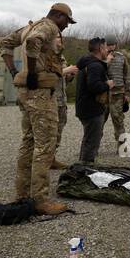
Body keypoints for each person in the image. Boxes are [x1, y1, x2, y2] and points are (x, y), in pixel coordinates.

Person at [0, 3, 75, 215]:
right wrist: (31, 72)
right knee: (45, 145)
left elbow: (4, 43)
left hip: (25, 92)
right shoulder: (49, 26)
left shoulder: (28, 28)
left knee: (29, 141)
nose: (66, 26)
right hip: (40, 92)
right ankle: (40, 200)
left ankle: (22, 194)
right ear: (58, 15)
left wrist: (14, 71)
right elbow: (34, 43)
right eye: (67, 21)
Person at [75, 37, 113, 164]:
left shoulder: (87, 62)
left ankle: (82, 167)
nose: (107, 50)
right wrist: (108, 85)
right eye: (106, 47)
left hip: (85, 108)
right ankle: (85, 170)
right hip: (92, 109)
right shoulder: (95, 65)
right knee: (91, 142)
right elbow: (94, 86)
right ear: (100, 48)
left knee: (88, 140)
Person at [50, 35, 79, 170]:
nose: (59, 40)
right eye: (56, 37)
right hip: (49, 101)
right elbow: (46, 76)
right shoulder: (45, 56)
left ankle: (51, 158)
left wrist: (70, 76)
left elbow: (63, 81)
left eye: (60, 38)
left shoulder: (61, 58)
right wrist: (65, 71)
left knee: (58, 132)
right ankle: (40, 161)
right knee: (47, 133)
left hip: (62, 101)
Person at [103, 39, 130, 149]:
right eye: (108, 45)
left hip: (118, 94)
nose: (110, 47)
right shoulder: (100, 57)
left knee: (118, 120)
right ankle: (92, 149)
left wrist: (128, 93)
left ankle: (123, 147)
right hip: (103, 94)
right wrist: (106, 61)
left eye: (112, 44)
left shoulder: (121, 57)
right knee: (99, 121)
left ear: (115, 45)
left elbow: (127, 75)